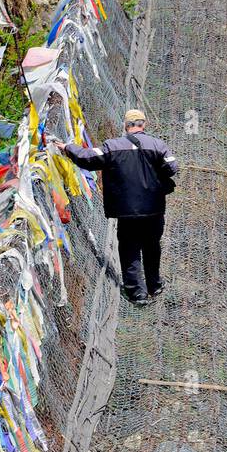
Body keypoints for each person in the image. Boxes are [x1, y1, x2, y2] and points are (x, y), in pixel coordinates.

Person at [62, 109, 178, 306]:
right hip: (154, 208)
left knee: (130, 248)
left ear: (126, 126)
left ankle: (137, 294)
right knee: (152, 246)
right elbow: (172, 167)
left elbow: (87, 158)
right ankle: (155, 285)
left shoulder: (112, 146)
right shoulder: (158, 145)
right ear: (144, 124)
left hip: (127, 211)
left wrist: (67, 147)